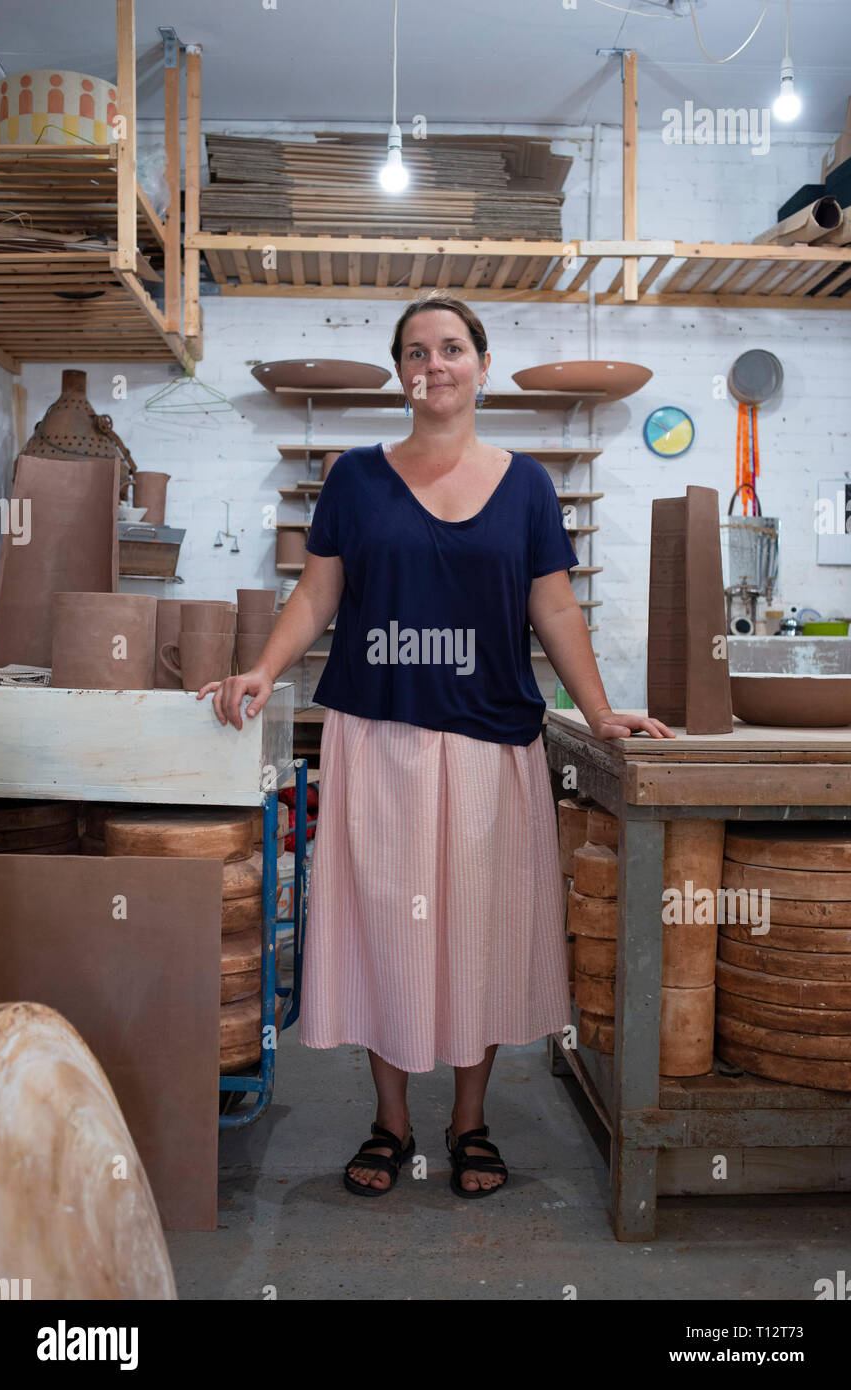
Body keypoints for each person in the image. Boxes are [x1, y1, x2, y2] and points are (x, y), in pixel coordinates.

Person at [200, 294, 674, 1199]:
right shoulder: (354, 478)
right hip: (375, 737)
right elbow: (315, 593)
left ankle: (468, 1119)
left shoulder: (528, 485)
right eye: (416, 351)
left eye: (451, 347)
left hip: (492, 743)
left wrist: (601, 710)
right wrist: (262, 667)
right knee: (384, 927)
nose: (435, 364)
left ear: (481, 365)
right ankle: (388, 1119)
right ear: (400, 371)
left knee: (477, 931)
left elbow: (555, 607)